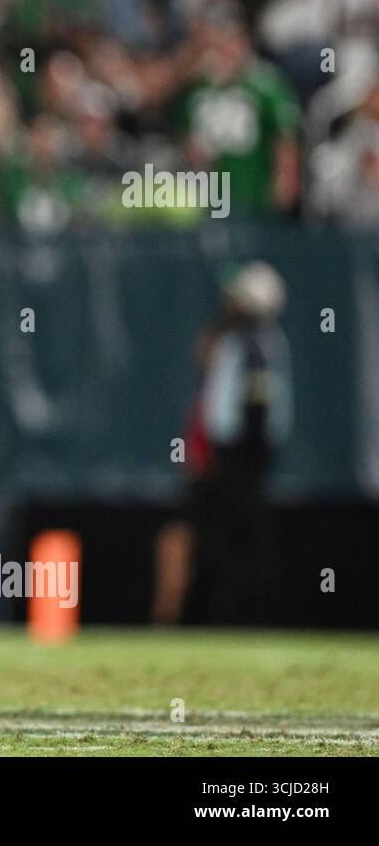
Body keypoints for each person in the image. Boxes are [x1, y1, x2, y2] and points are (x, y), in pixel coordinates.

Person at [152, 261, 293, 625]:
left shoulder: (257, 345)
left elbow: (254, 412)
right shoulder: (232, 342)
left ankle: (233, 617)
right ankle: (196, 616)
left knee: (233, 539)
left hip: (238, 456)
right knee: (205, 536)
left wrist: (235, 452)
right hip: (225, 454)